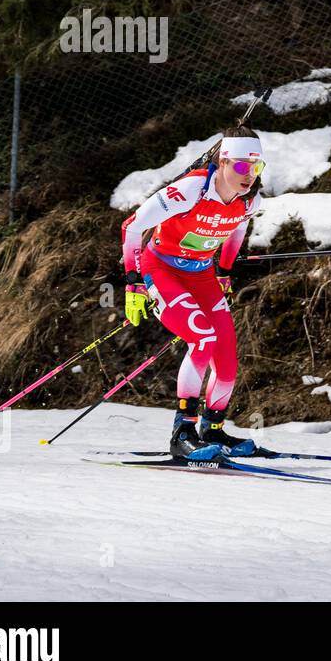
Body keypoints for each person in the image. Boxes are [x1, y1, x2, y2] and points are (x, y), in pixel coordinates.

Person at [120, 126, 263, 459]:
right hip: (162, 270)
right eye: (242, 166)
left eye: (256, 167)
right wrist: (133, 283)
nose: (249, 175)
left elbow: (235, 232)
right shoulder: (191, 190)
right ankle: (182, 433)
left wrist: (225, 273)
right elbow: (132, 226)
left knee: (226, 357)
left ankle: (212, 429)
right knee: (202, 337)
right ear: (223, 162)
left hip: (202, 275)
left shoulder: (249, 201)